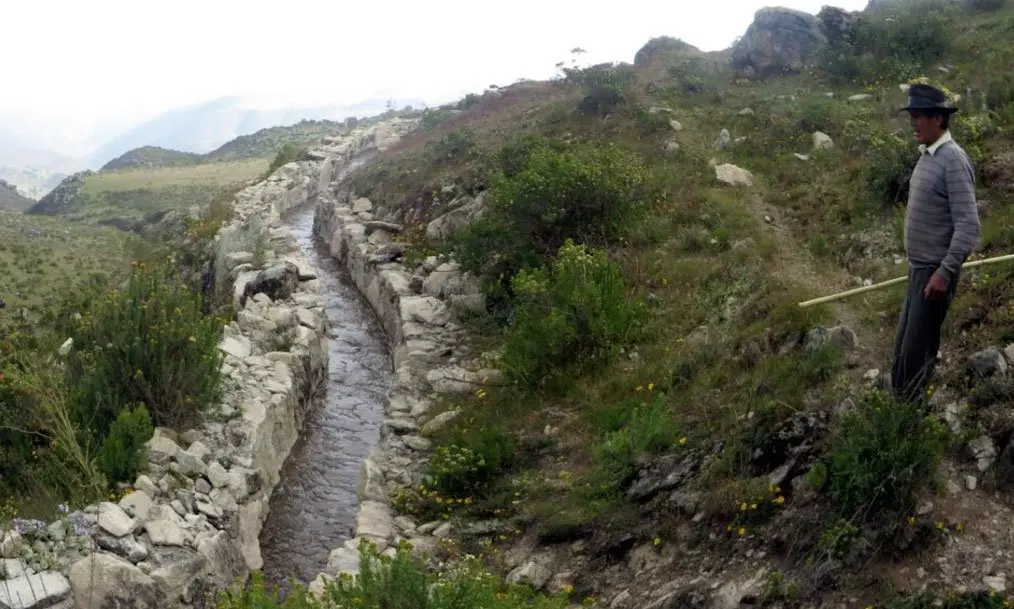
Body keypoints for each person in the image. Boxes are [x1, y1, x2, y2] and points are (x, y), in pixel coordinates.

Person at [891, 83, 980, 404]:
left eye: (919, 116)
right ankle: (898, 412)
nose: (913, 123)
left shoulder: (953, 160)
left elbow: (969, 225)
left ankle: (908, 425)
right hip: (919, 270)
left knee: (917, 350)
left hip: (934, 274)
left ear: (939, 119)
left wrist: (944, 272)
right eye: (911, 116)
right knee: (903, 346)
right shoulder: (929, 156)